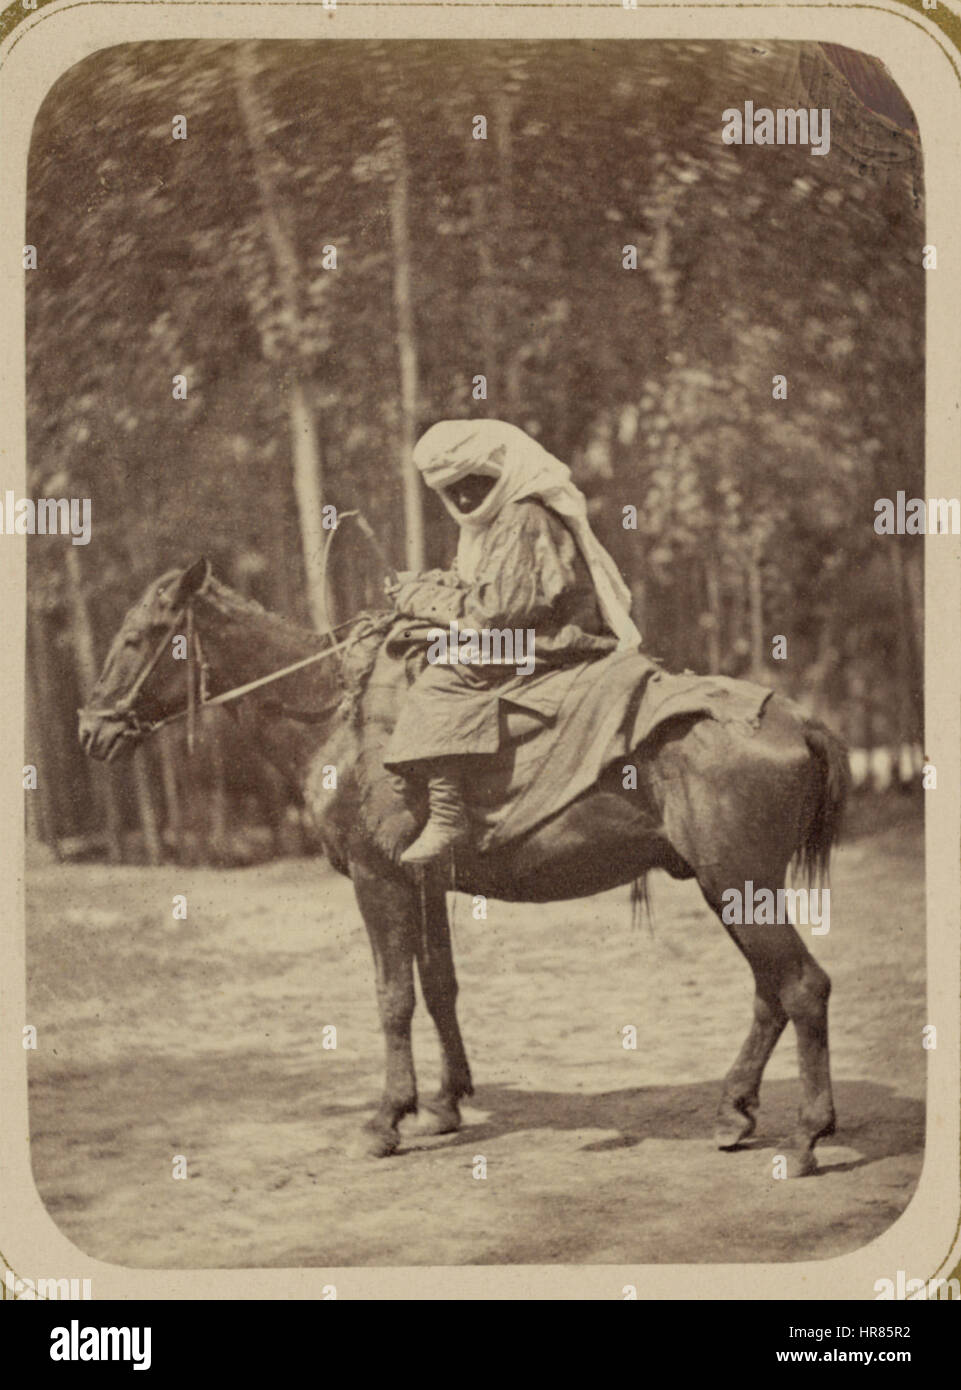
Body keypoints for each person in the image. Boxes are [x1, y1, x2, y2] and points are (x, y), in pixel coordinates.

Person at [385, 418, 641, 865]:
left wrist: (421, 598)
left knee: (443, 675)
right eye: (453, 489)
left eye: (474, 483)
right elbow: (483, 585)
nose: (464, 497)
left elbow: (496, 613)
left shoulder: (522, 514)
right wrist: (427, 585)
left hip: (552, 642)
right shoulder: (500, 518)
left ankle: (448, 816)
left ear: (499, 470)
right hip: (530, 631)